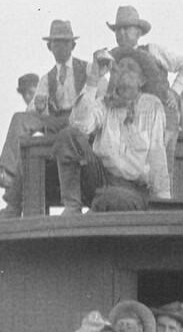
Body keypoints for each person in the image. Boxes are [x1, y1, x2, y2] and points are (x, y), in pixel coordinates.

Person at [0, 20, 88, 220]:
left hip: (80, 124)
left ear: (73, 45)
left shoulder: (86, 69)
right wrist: (41, 106)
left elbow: (100, 94)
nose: (60, 47)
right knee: (21, 120)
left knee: (33, 150)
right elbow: (33, 109)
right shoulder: (47, 78)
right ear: (49, 47)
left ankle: (12, 205)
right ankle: (5, 171)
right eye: (56, 43)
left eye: (64, 42)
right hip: (57, 121)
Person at [53, 47, 170, 215]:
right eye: (120, 66)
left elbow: (157, 154)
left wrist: (162, 206)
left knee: (112, 197)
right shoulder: (104, 103)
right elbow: (79, 124)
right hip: (100, 178)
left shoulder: (152, 106)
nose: (123, 71)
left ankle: (96, 209)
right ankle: (72, 206)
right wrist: (94, 77)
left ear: (142, 80)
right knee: (69, 135)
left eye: (130, 68)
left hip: (133, 189)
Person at [98, 5, 183, 175]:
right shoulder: (113, 59)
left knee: (161, 167)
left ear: (138, 32)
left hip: (163, 118)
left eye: (127, 28)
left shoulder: (153, 50)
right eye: (118, 29)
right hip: (132, 122)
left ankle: (162, 200)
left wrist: (175, 91)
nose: (121, 33)